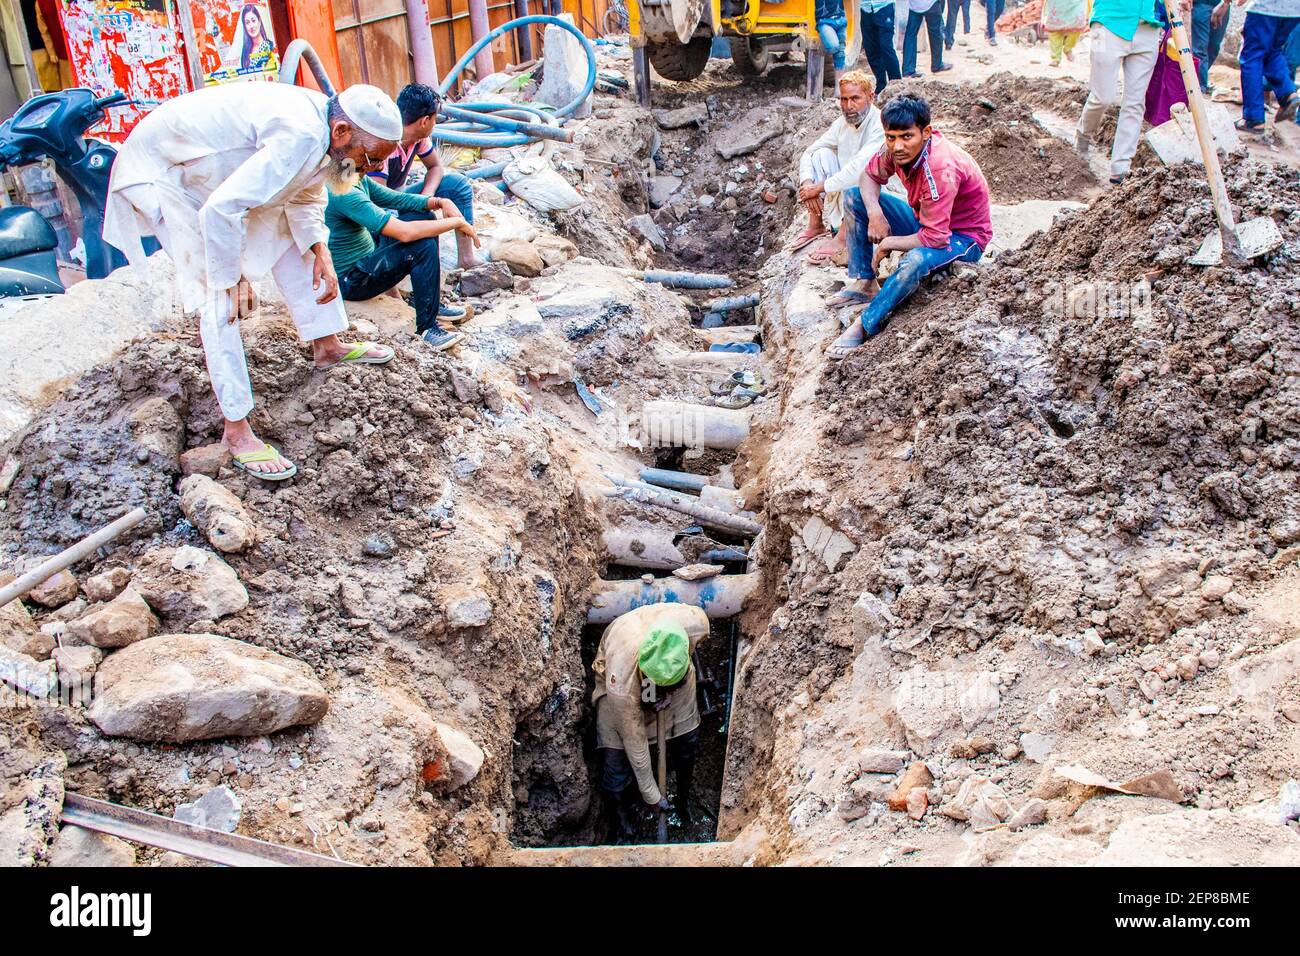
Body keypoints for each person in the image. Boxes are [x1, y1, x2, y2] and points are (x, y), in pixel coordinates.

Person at [104, 83, 403, 481]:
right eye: (368, 160)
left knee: (295, 240)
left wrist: (321, 250)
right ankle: (237, 431)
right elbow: (220, 210)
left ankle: (327, 344)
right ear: (342, 133)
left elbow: (305, 197)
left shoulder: (334, 142)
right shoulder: (299, 135)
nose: (368, 171)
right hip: (170, 174)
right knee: (219, 298)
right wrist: (232, 277)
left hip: (215, 181)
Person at [827, 94, 991, 359]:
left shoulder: (940, 168)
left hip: (962, 236)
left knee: (914, 261)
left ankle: (865, 324)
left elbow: (936, 238)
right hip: (927, 220)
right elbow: (868, 176)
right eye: (891, 137)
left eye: (906, 137)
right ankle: (864, 283)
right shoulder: (896, 150)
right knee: (854, 196)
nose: (897, 146)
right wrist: (875, 212)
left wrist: (890, 242)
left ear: (926, 132)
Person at [592, 604, 710, 841]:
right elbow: (635, 743)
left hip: (673, 674)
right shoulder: (621, 685)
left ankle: (683, 801)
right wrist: (652, 796)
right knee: (616, 764)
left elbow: (693, 652)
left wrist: (667, 693)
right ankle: (622, 823)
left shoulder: (695, 623)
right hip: (618, 683)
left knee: (687, 741)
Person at [326, 172, 478, 351]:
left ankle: (430, 305)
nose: (381, 166)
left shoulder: (353, 172)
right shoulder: (344, 191)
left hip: (369, 253)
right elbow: (405, 233)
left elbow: (396, 198)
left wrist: (440, 202)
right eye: (375, 159)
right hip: (351, 279)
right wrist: (457, 223)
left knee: (424, 216)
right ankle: (427, 329)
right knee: (423, 247)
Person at [372, 83, 484, 277]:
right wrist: (423, 204)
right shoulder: (386, 143)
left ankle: (466, 258)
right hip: (377, 207)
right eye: (434, 119)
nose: (435, 123)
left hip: (398, 196)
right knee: (424, 219)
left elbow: (436, 167)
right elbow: (380, 198)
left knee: (457, 185)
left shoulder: (418, 138)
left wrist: (427, 195)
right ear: (424, 121)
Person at [792, 71, 886, 265]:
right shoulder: (841, 124)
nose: (848, 106)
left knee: (862, 178)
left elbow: (860, 170)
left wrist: (818, 188)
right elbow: (810, 152)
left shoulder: (880, 126)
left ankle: (843, 237)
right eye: (843, 99)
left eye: (855, 99)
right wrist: (808, 183)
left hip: (878, 196)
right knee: (821, 154)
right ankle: (816, 224)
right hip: (845, 191)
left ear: (871, 97)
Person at [1074, 0, 1164, 184]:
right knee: (1103, 97)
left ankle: (1121, 168)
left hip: (1147, 27)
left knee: (1135, 102)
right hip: (1109, 23)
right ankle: (1083, 135)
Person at [1234, 0, 1300, 132]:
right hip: (1294, 10)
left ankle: (1254, 118)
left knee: (1251, 58)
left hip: (1264, 8)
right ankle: (1288, 94)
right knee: (1273, 51)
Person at [861, 0, 904, 93]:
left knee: (886, 46)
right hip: (865, 7)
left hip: (884, 6)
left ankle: (896, 84)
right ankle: (881, 84)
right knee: (870, 49)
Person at [1191, 0, 1232, 92]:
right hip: (1201, 4)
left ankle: (1201, 80)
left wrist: (1225, 3)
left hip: (1222, 4)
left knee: (1214, 46)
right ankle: (1199, 86)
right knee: (1200, 48)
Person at [904, 0, 954, 74]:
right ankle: (937, 65)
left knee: (910, 36)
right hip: (931, 4)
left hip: (914, 6)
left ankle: (908, 69)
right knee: (935, 34)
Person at [1044, 0, 1091, 66]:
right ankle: (1055, 59)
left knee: (1076, 28)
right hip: (1056, 5)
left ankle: (1068, 48)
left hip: (1075, 5)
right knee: (1054, 32)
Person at [239, 4, 279, 75]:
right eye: (247, 23)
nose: (251, 26)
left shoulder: (270, 46)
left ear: (259, 21)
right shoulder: (245, 52)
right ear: (245, 27)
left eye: (253, 21)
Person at [817, 0, 852, 75]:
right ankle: (822, 41)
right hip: (824, 21)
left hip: (841, 20)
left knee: (840, 54)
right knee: (834, 46)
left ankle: (839, 85)